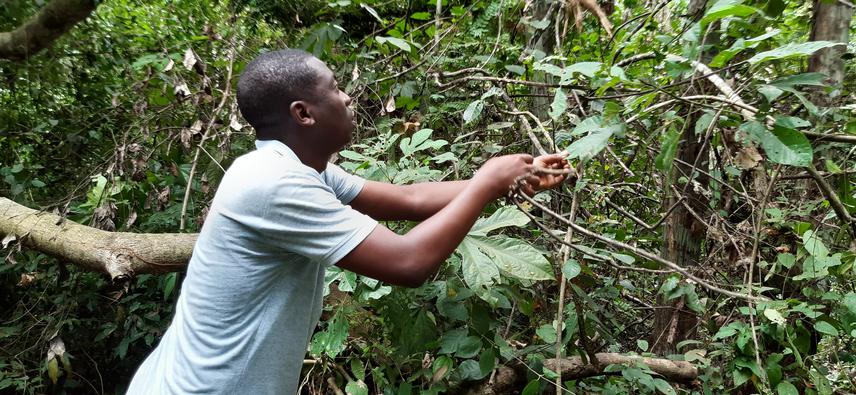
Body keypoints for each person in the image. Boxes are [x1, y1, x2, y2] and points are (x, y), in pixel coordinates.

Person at [126, 48, 569, 394]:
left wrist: (514, 178)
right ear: (303, 113)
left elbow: (411, 199)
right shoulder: (273, 182)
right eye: (335, 88)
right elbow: (408, 262)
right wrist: (487, 183)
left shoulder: (299, 168)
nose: (347, 97)